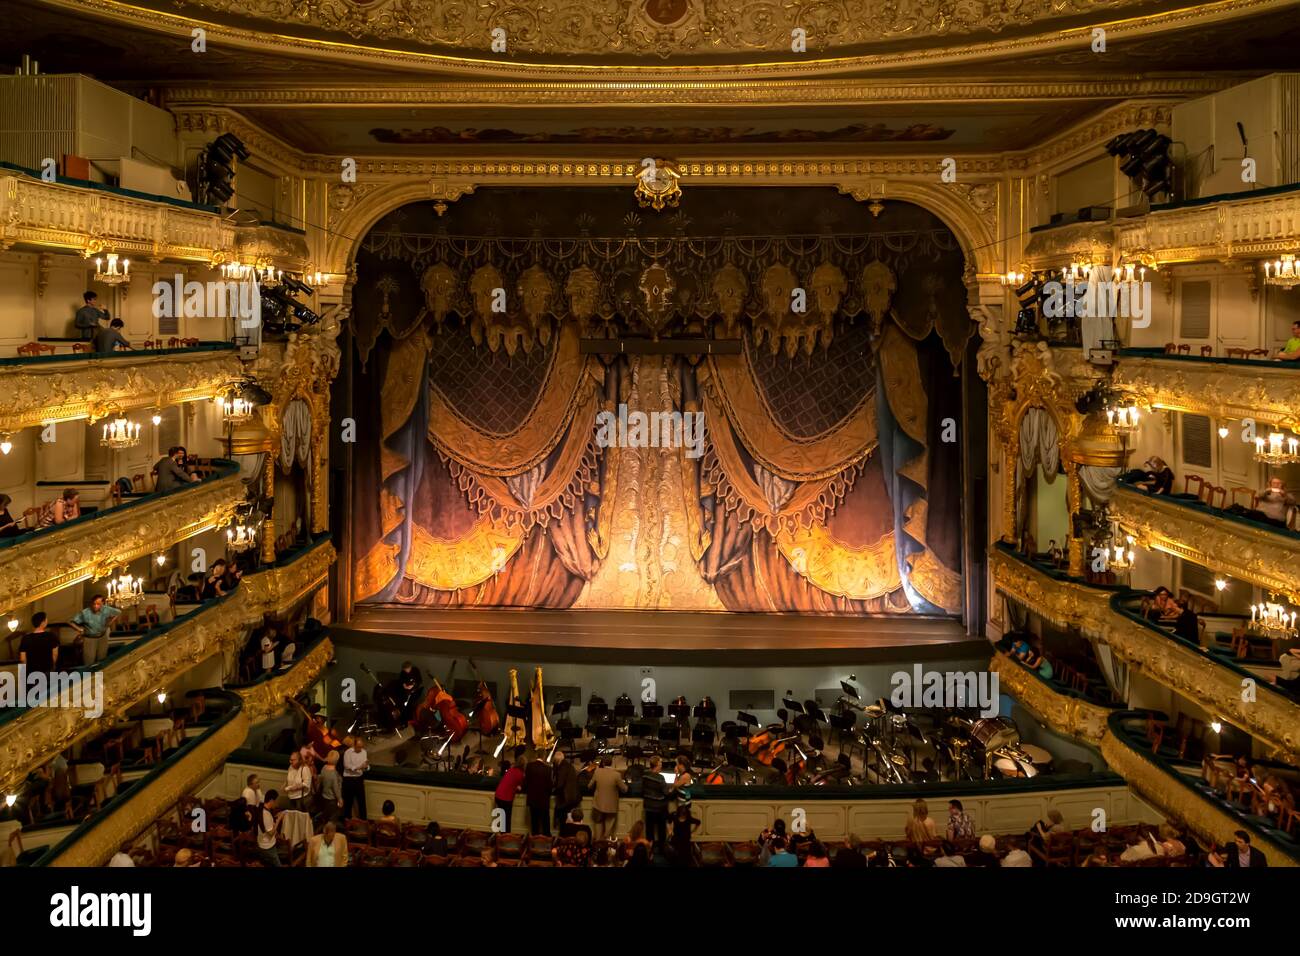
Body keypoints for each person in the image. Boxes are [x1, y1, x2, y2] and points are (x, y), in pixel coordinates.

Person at [70, 594, 120, 666]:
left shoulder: (106, 609)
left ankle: (100, 677)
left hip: (103, 637)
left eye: (98, 604)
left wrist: (109, 623)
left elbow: (118, 612)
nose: (95, 606)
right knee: (89, 662)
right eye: (94, 604)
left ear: (103, 604)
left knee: (102, 662)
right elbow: (71, 622)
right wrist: (79, 629)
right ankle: (89, 677)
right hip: (90, 639)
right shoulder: (85, 613)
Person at [588, 756, 627, 840]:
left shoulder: (597, 772)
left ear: (604, 763)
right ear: (612, 763)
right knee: (608, 826)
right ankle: (605, 840)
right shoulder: (616, 775)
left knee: (598, 827)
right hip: (611, 807)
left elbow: (589, 786)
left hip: (598, 804)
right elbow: (624, 789)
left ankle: (598, 842)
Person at [641, 755, 669, 853]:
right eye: (660, 763)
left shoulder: (645, 774)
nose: (661, 764)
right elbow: (666, 792)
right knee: (661, 831)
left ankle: (650, 849)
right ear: (656, 765)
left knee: (649, 830)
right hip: (659, 808)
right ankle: (661, 849)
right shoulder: (660, 778)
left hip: (648, 807)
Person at [18, 612, 58, 677]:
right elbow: (55, 655)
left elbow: (23, 659)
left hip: (31, 672)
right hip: (47, 671)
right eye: (46, 620)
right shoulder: (51, 636)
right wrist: (52, 667)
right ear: (43, 622)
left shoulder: (26, 638)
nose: (47, 621)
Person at [524, 752, 553, 836]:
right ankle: (547, 840)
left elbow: (526, 782)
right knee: (545, 822)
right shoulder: (548, 768)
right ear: (544, 757)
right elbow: (549, 785)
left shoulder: (529, 766)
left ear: (536, 756)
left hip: (532, 799)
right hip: (544, 799)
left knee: (534, 821)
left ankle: (534, 841)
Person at [494, 756, 525, 833]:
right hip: (506, 798)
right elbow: (521, 787)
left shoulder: (511, 770)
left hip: (498, 796)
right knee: (507, 819)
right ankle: (506, 838)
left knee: (502, 819)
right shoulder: (520, 774)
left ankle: (502, 836)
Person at [341, 737, 369, 820]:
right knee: (348, 803)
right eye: (358, 747)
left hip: (359, 779)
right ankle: (347, 823)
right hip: (349, 780)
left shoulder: (364, 752)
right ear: (354, 745)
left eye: (361, 747)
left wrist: (366, 767)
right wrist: (359, 767)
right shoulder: (347, 753)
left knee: (362, 802)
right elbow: (347, 766)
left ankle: (364, 822)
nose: (360, 749)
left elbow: (365, 765)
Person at [552, 750, 579, 831]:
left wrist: (554, 790)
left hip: (565, 799)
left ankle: (564, 839)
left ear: (556, 760)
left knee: (563, 822)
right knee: (569, 821)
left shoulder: (562, 767)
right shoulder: (569, 766)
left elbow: (560, 784)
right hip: (572, 798)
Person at [254, 790, 283, 867]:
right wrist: (279, 820)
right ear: (271, 800)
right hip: (267, 847)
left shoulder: (261, 808)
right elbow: (270, 833)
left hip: (261, 843)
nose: (276, 804)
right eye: (276, 801)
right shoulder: (266, 814)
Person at [317, 750, 343, 821]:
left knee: (325, 818)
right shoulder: (334, 774)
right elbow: (336, 789)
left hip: (324, 797)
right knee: (332, 819)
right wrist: (340, 799)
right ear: (337, 760)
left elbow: (320, 781)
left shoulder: (323, 768)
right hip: (332, 799)